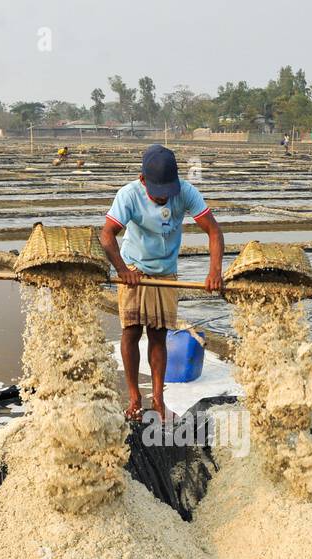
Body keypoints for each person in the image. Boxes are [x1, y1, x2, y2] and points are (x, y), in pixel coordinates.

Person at [101, 144, 223, 421]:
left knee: (158, 334)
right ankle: (134, 398)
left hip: (166, 270)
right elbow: (107, 235)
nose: (162, 199)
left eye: (167, 192)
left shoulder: (186, 192)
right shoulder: (129, 194)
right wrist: (122, 270)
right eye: (157, 193)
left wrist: (215, 271)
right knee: (132, 331)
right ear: (143, 180)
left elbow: (214, 231)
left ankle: (158, 399)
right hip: (134, 267)